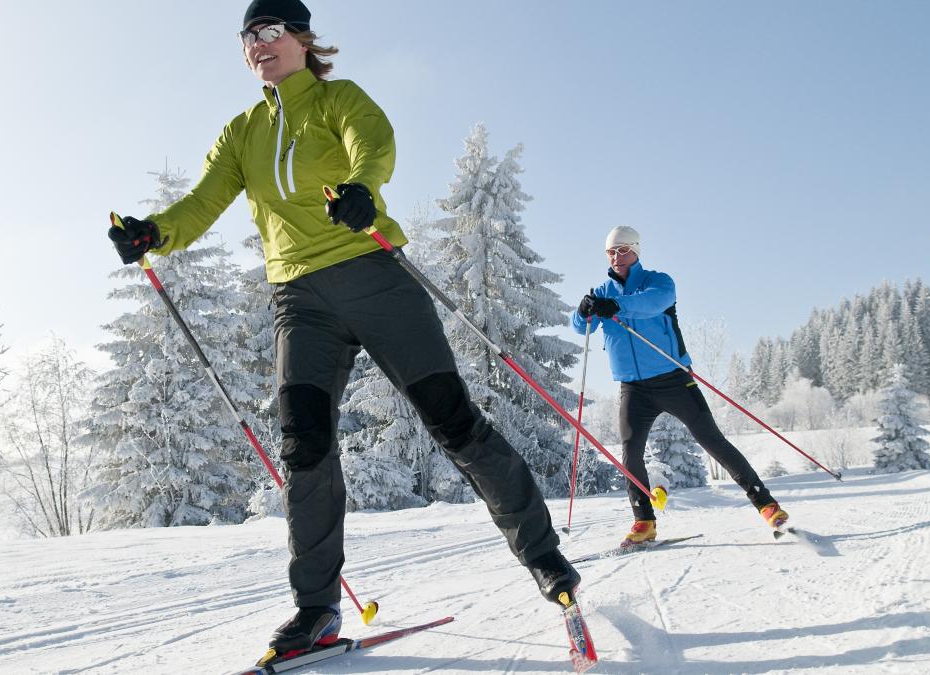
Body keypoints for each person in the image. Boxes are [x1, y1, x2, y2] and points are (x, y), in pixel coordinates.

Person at [107, 0, 579, 661]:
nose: (258, 45)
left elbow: (373, 145)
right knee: (304, 445)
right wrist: (154, 231)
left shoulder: (337, 100)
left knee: (452, 420)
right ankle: (315, 608)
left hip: (373, 274)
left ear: (302, 39)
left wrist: (359, 187)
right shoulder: (242, 132)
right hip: (299, 298)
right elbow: (203, 201)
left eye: (271, 31)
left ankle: (545, 558)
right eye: (248, 37)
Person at [571, 226, 789, 548]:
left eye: (623, 250)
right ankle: (644, 522)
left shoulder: (658, 281)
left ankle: (767, 505)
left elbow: (652, 304)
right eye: (611, 252)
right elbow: (580, 327)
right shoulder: (602, 291)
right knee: (630, 455)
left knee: (712, 440)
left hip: (672, 378)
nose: (617, 257)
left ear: (636, 251)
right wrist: (584, 311)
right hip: (633, 387)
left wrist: (616, 307)